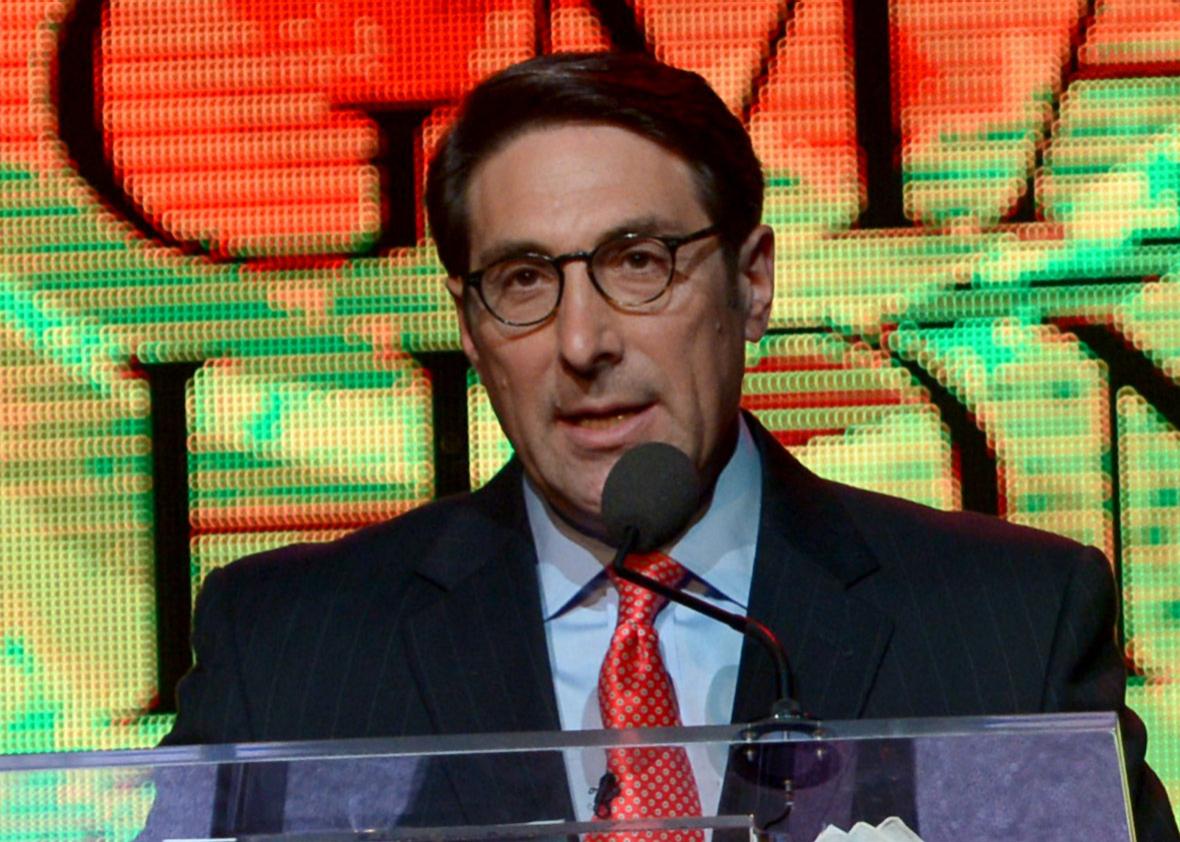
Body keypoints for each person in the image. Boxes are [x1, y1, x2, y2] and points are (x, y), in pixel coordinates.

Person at [162, 51, 1179, 840]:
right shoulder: (292, 648)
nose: (582, 342)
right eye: (523, 281)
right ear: (470, 329)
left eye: (638, 262)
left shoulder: (1008, 623)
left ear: (752, 282)